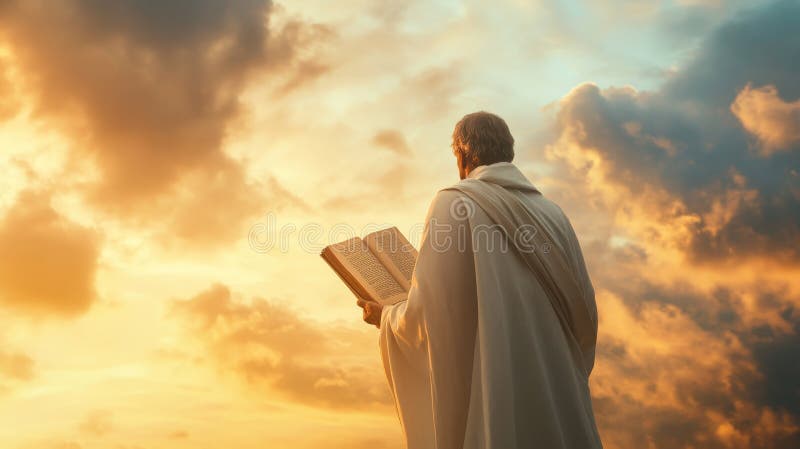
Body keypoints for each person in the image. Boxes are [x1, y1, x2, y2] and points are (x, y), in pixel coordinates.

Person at [357, 111, 603, 449]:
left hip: (495, 393)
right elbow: (586, 317)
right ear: (508, 152)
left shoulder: (454, 202)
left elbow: (431, 315)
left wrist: (385, 316)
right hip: (558, 393)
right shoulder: (554, 215)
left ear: (461, 154)